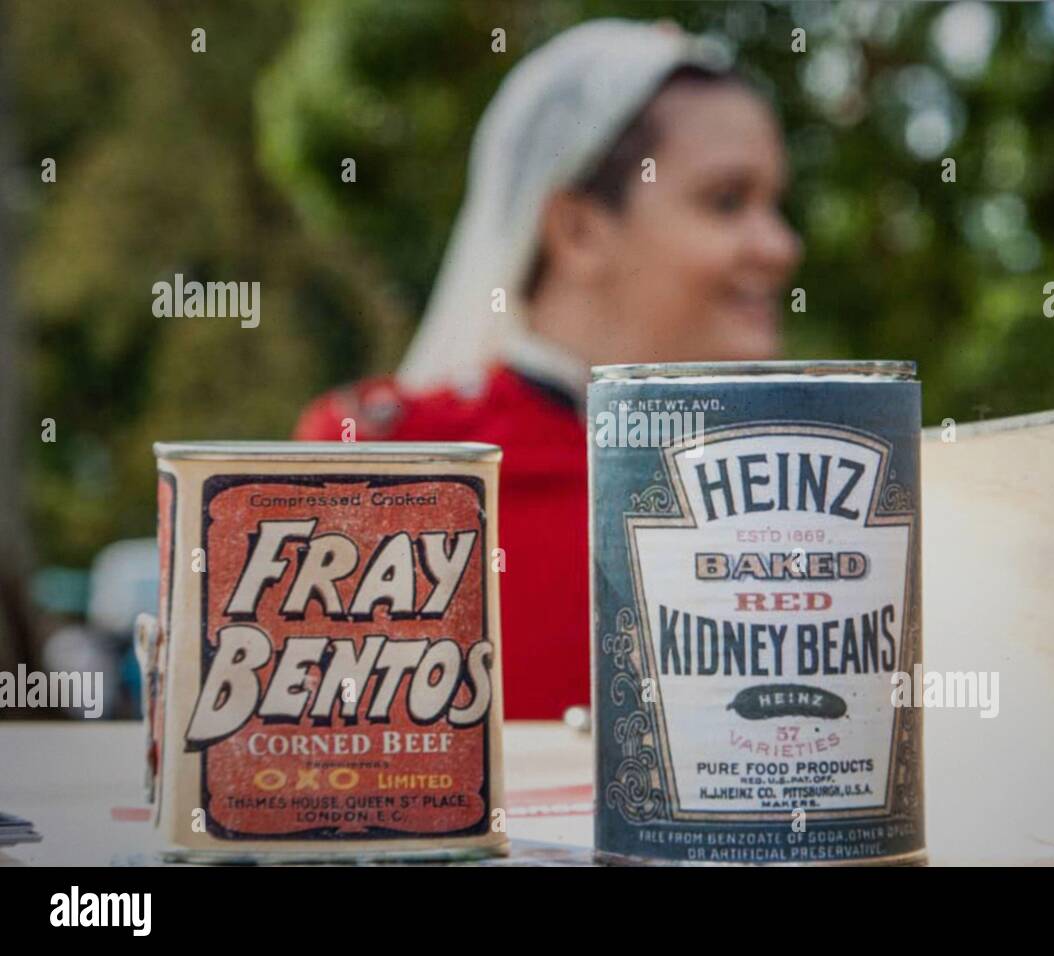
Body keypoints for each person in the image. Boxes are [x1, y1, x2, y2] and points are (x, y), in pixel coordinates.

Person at [295, 19, 801, 718]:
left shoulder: (791, 484)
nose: (781, 246)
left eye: (776, 205)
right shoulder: (384, 469)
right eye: (726, 201)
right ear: (578, 230)